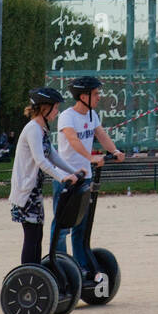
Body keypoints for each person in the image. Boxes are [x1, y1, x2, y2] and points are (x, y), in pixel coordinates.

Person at [52, 75, 124, 272]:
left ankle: (81, 267)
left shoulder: (92, 115)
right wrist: (91, 157)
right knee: (62, 226)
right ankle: (61, 264)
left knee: (81, 226)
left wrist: (115, 151)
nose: (98, 97)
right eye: (95, 93)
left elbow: (101, 134)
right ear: (82, 96)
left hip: (85, 178)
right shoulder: (67, 116)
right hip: (66, 177)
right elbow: (73, 140)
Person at [9, 88, 82, 264]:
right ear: (44, 108)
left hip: (34, 191)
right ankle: (28, 274)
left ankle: (36, 272)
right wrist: (62, 178)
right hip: (26, 192)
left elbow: (53, 155)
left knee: (37, 235)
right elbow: (41, 161)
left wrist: (72, 171)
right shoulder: (33, 129)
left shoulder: (42, 130)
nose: (57, 112)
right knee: (32, 236)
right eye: (55, 108)